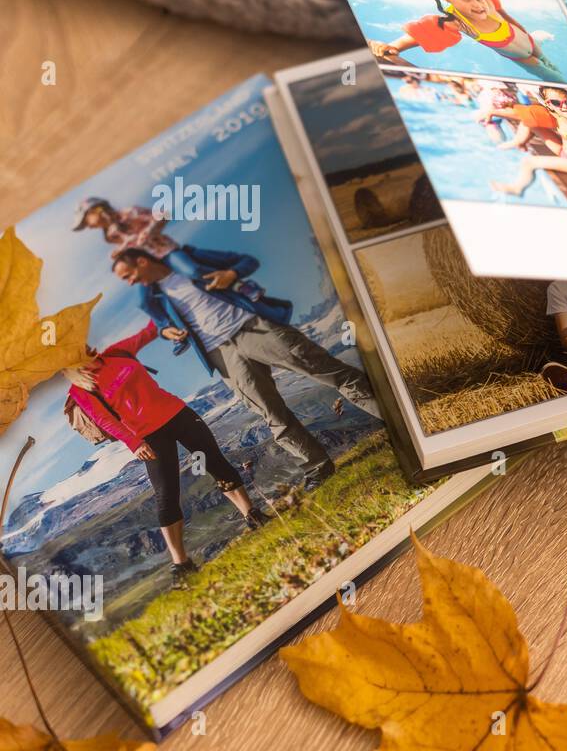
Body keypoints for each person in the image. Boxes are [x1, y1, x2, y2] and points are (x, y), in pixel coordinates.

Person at [111, 247, 382, 491]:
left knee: (325, 369)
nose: (130, 282)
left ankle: (388, 412)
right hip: (222, 353)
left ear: (142, 260)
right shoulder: (153, 298)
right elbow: (161, 326)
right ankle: (317, 466)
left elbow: (247, 260)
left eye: (129, 274)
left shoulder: (189, 259)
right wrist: (168, 332)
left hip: (253, 327)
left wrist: (231, 274)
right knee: (268, 411)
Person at [63, 322, 269, 590]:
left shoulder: (116, 352)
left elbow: (148, 331)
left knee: (215, 462)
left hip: (177, 413)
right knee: (166, 494)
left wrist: (161, 311)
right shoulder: (80, 390)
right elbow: (106, 422)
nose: (86, 343)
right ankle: (181, 562)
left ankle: (251, 515)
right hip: (148, 436)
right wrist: (134, 444)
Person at [367, 0, 561, 80]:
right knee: (556, 77)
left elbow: (508, 18)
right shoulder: (455, 22)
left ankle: (538, 39)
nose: (477, 5)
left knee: (547, 59)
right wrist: (390, 47)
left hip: (528, 41)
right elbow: (415, 37)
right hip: (523, 59)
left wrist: (527, 34)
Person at [73, 197, 265, 302]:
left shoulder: (129, 213)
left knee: (193, 271)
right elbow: (131, 248)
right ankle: (171, 329)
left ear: (97, 210)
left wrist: (146, 234)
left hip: (164, 252)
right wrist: (121, 253)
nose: (89, 227)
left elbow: (161, 216)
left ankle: (243, 286)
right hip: (149, 263)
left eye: (87, 221)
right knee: (145, 300)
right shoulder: (110, 235)